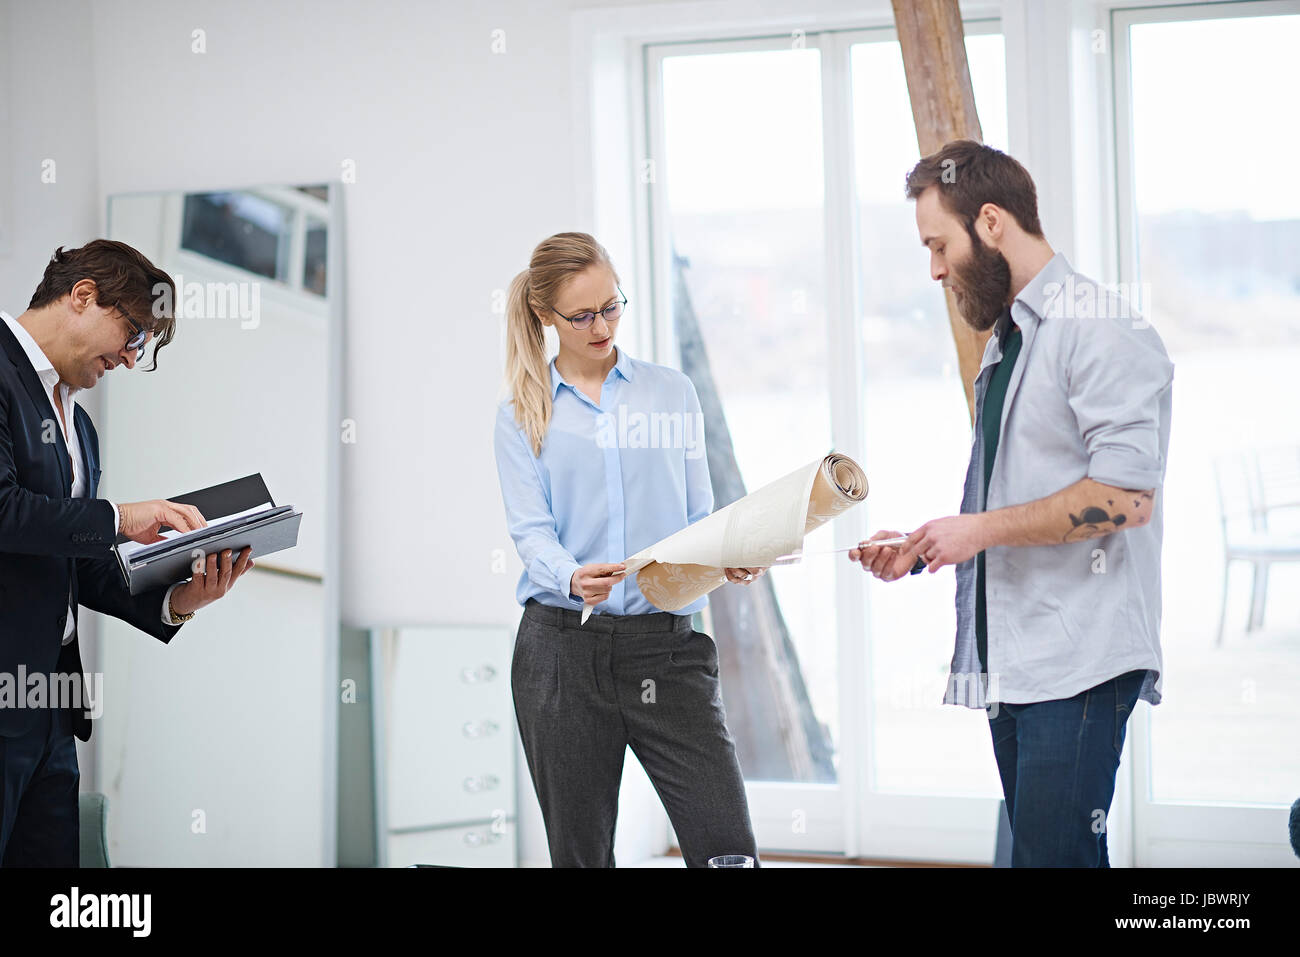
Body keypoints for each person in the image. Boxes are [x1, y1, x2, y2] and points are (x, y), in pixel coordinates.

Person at [850, 141, 1173, 867]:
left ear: (990, 222)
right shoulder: (1012, 339)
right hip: (1019, 661)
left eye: (939, 244)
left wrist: (979, 530)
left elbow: (1125, 498)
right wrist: (934, 537)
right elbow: (1021, 495)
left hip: (1080, 660)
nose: (934, 269)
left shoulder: (1097, 327)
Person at [494, 231, 762, 867]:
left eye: (611, 307)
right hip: (562, 651)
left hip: (666, 650)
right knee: (581, 856)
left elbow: (698, 515)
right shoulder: (521, 415)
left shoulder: (672, 394)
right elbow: (531, 531)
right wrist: (570, 576)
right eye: (581, 315)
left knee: (727, 848)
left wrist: (725, 556)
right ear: (544, 315)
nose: (601, 326)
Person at [0, 240, 253, 866]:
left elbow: (77, 562)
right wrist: (120, 517)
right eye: (133, 333)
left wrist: (178, 598)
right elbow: (5, 513)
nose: (131, 356)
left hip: (53, 713)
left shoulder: (77, 424)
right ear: (83, 296)